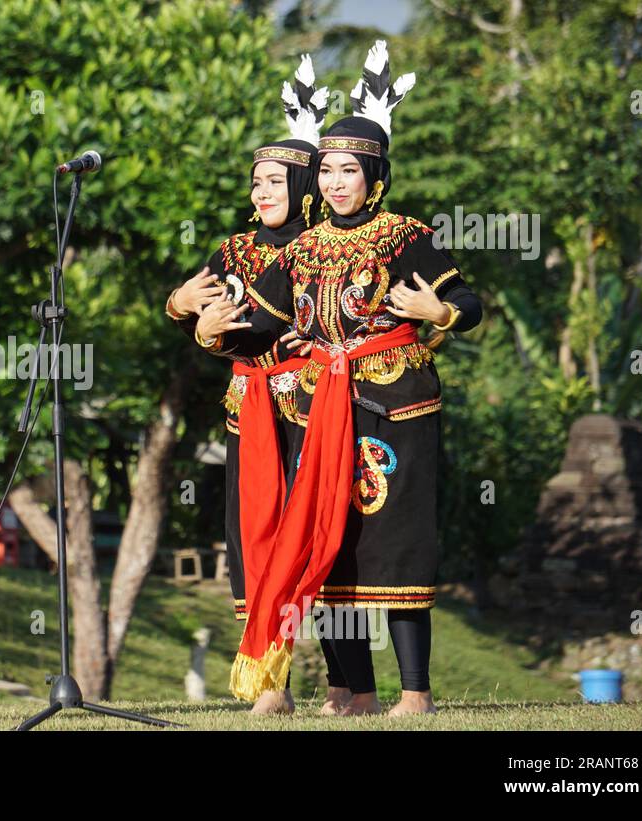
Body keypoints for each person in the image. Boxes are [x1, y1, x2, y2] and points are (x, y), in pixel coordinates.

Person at [232, 41, 482, 717]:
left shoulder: (407, 236)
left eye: (350, 171)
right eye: (329, 171)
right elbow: (262, 323)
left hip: (398, 403)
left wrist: (441, 310)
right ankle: (355, 690)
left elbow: (471, 301)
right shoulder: (305, 248)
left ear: (375, 178)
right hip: (319, 409)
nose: (336, 182)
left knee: (397, 547)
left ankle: (416, 692)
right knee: (327, 545)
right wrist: (199, 325)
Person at [167, 57, 348, 715]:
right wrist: (179, 302)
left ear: (304, 185)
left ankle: (344, 684)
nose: (260, 191)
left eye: (274, 180)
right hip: (251, 411)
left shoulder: (328, 245)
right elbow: (192, 307)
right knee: (254, 542)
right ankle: (273, 683)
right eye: (255, 181)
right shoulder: (236, 249)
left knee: (320, 536)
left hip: (319, 408)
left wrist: (207, 332)